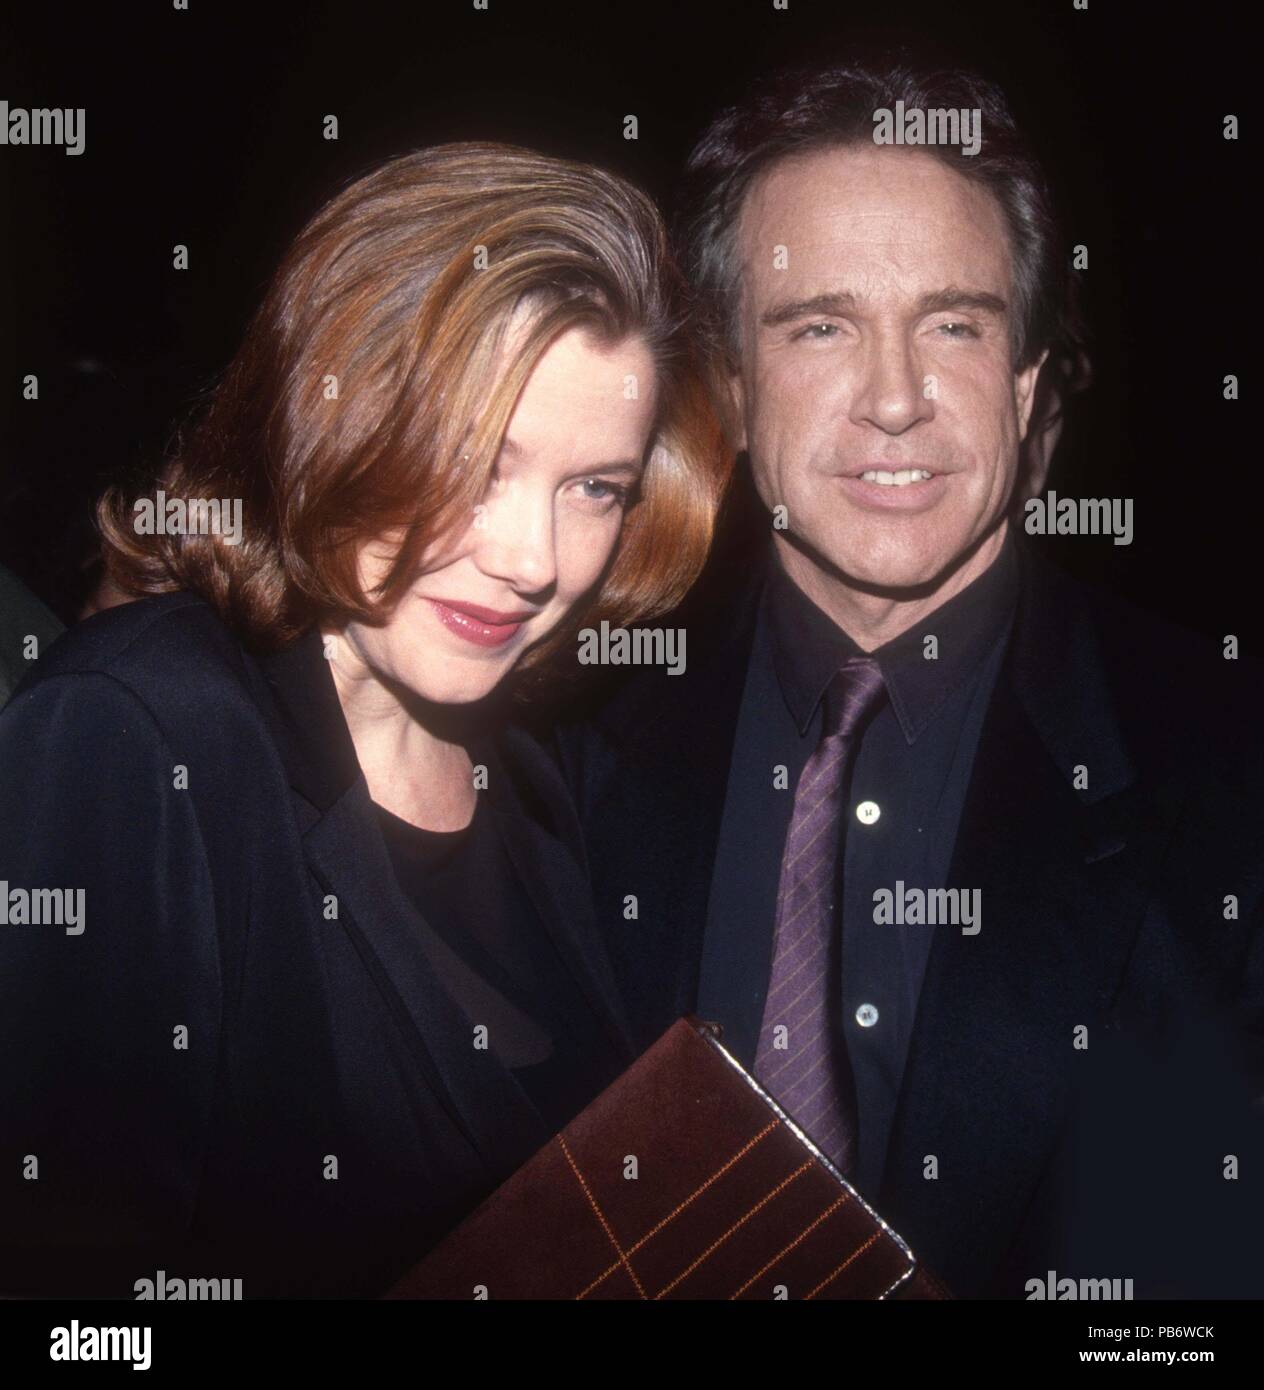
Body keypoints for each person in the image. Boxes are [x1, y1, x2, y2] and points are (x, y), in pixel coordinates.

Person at [552, 59, 1264, 1298]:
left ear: (1027, 386)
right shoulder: (565, 737)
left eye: (954, 323)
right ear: (725, 386)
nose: (894, 399)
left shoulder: (1225, 767)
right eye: (819, 326)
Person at [0, 142, 727, 1298]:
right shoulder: (140, 729)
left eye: (596, 488)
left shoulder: (540, 778)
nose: (534, 559)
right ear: (336, 409)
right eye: (480, 462)